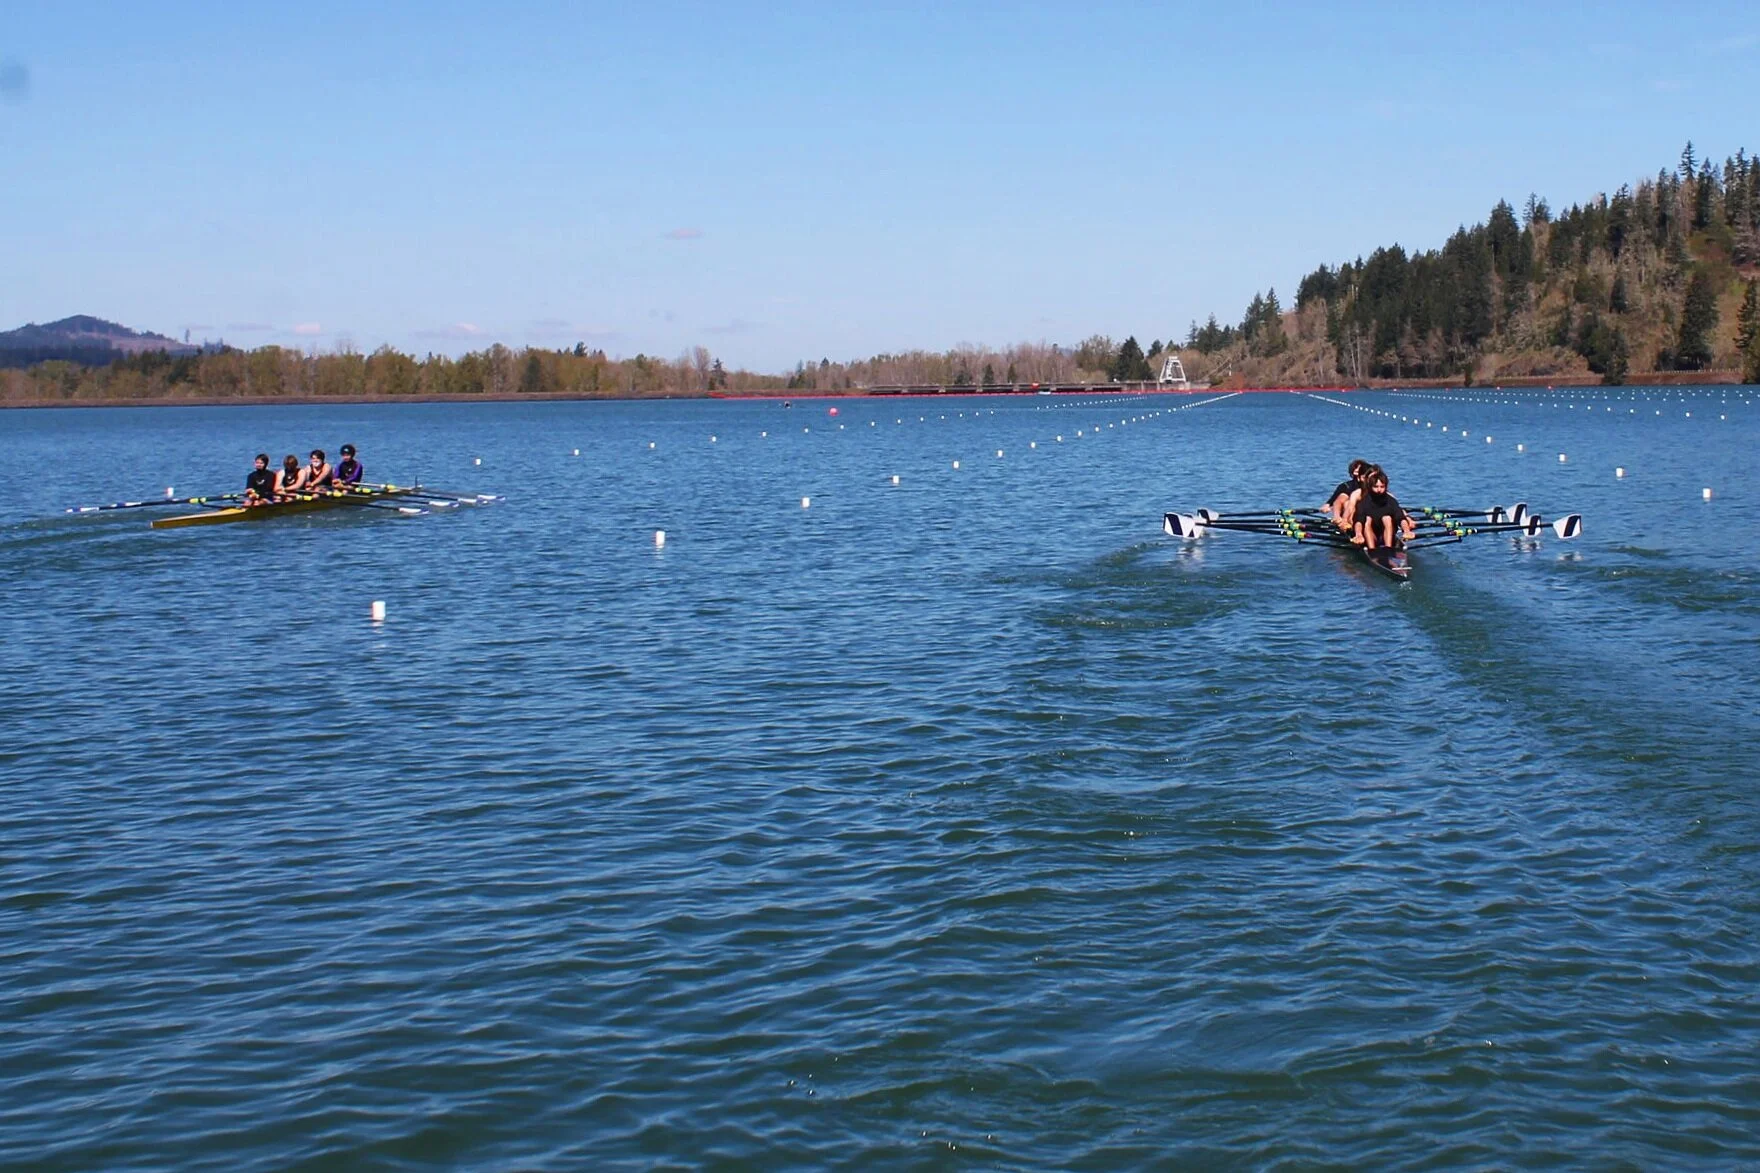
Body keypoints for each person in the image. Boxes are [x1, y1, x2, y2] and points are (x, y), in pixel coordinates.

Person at [1353, 466, 1416, 551]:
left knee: (1387, 518)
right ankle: (1372, 550)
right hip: (1371, 536)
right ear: (1370, 487)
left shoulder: (1391, 501)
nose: (1379, 490)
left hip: (1387, 536)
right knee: (1367, 519)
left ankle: (1388, 549)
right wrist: (1358, 534)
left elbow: (1401, 518)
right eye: (1376, 487)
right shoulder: (1363, 503)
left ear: (1386, 487)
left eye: (1382, 487)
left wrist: (1406, 530)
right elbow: (1358, 521)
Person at [1324, 459, 1370, 531]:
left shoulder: (1371, 486)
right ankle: (1338, 518)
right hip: (1346, 512)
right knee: (1343, 497)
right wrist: (1327, 505)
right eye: (1356, 468)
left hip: (1360, 512)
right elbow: (1333, 500)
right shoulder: (1345, 486)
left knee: (1348, 503)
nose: (1357, 470)